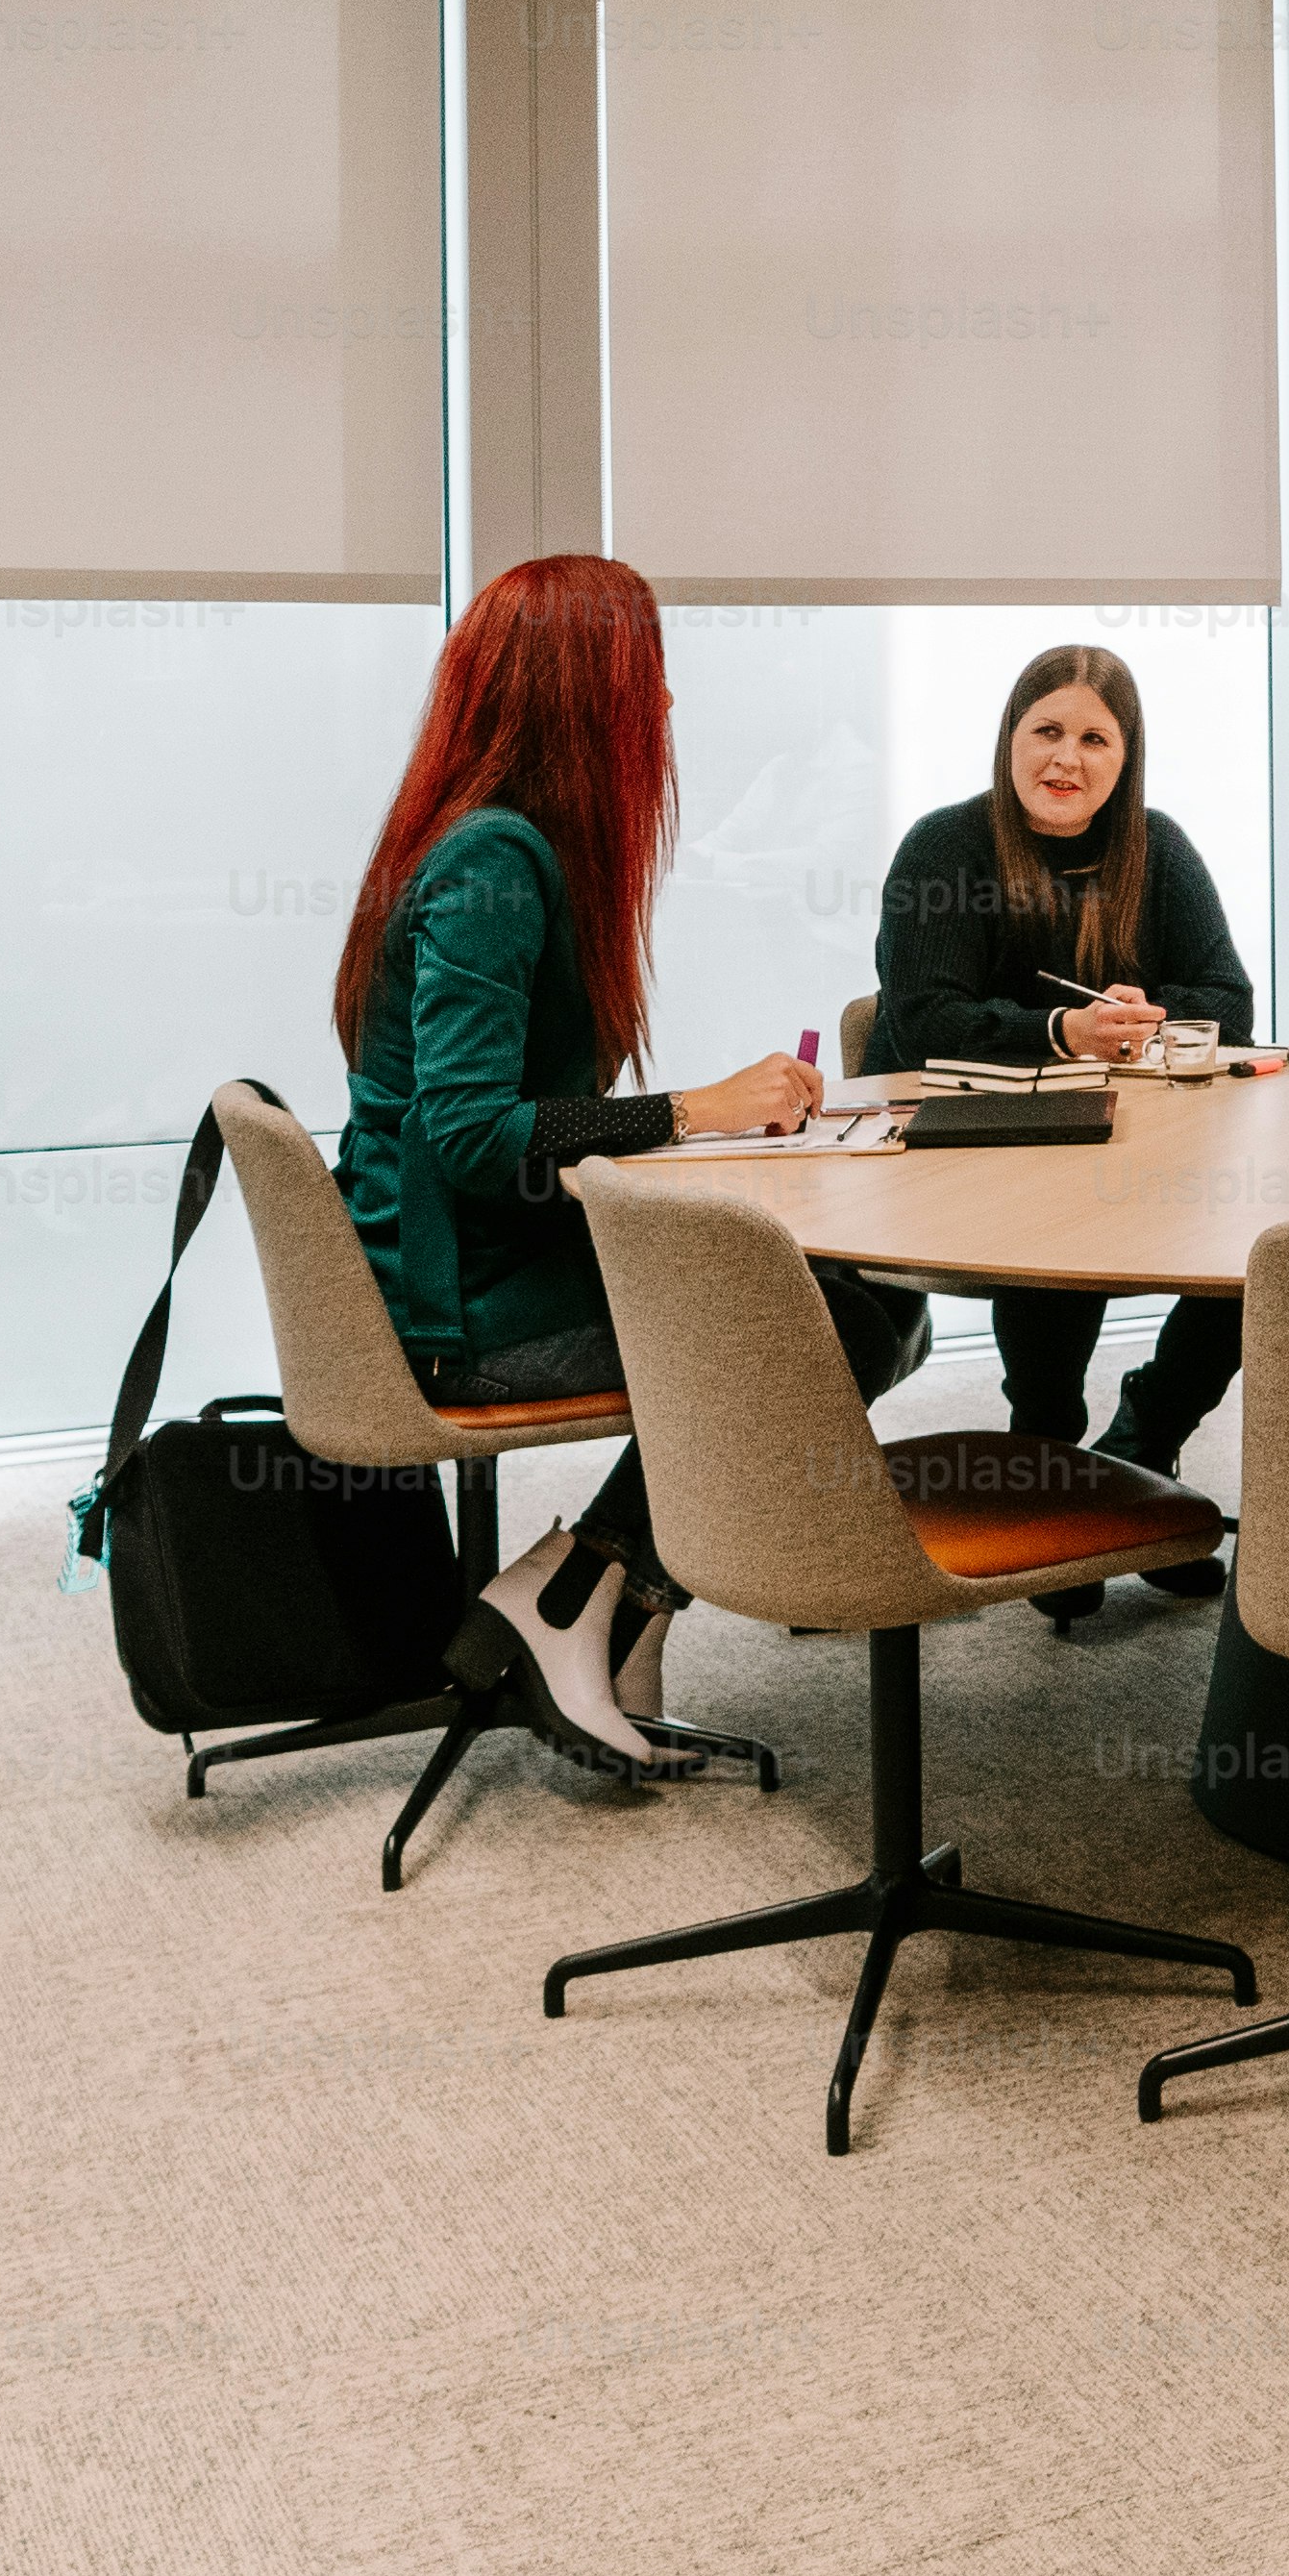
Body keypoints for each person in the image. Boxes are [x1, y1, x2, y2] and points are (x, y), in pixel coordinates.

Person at [335, 553, 926, 1769]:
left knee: (874, 1307)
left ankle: (624, 1614)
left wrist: (695, 1124)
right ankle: (566, 1596)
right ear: (578, 697)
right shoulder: (495, 862)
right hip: (458, 1305)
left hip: (482, 1258)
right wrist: (687, 1111)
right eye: (642, 681)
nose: (660, 710)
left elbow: (511, 1116)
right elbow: (470, 1131)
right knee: (840, 1330)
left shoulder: (483, 840)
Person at [871, 641, 1255, 1624]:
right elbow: (921, 1017)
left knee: (1271, 1246)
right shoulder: (944, 849)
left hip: (1140, 1144)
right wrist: (1059, 1029)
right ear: (1010, 739)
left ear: (1126, 759)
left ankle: (1141, 1449)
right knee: (1054, 1244)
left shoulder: (1155, 849)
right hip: (987, 1150)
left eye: (1095, 737)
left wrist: (1151, 1014)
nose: (1067, 758)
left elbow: (1232, 1000)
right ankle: (1047, 1458)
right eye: (1047, 730)